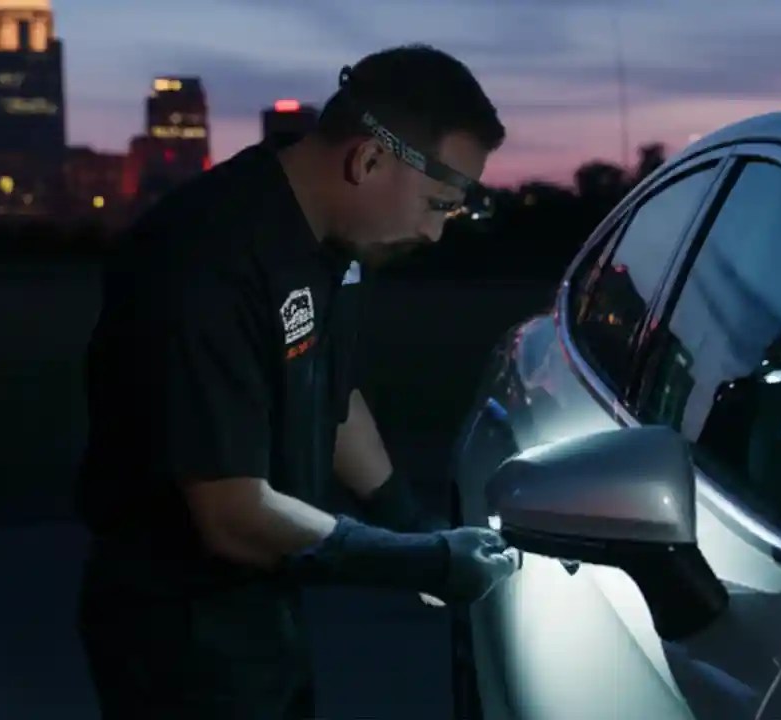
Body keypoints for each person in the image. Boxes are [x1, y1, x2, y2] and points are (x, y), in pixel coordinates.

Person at [74, 44, 517, 718]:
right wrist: (420, 561)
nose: (434, 233)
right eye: (437, 203)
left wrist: (407, 517)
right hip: (177, 626)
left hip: (265, 599)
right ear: (369, 159)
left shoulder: (332, 246)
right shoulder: (205, 261)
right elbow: (231, 514)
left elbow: (330, 397)